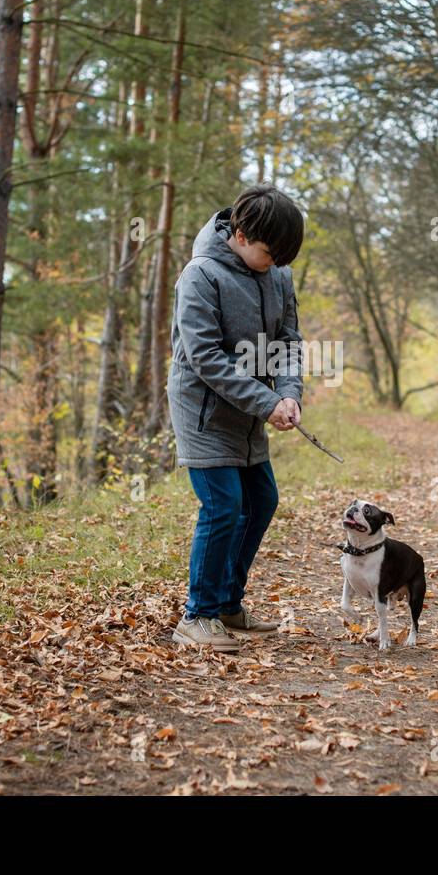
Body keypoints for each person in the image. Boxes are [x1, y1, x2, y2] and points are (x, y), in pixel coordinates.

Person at [166, 184, 305, 652]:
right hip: (202, 412)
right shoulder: (200, 275)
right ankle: (197, 616)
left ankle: (227, 604)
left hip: (249, 414)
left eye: (283, 257)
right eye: (270, 253)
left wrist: (287, 394)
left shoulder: (278, 276)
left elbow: (288, 341)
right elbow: (205, 357)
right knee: (223, 506)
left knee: (261, 500)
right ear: (242, 235)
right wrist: (266, 403)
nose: (276, 263)